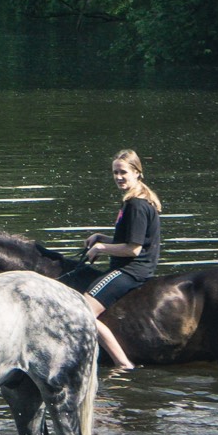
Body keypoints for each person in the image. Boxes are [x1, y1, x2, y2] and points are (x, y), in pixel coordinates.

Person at [62, 149, 162, 370]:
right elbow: (131, 239)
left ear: (137, 173)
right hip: (136, 267)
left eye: (123, 172)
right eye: (115, 172)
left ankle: (123, 363)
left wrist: (101, 247)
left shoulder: (136, 205)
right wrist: (102, 237)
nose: (118, 177)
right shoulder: (135, 201)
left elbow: (133, 249)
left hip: (131, 270)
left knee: (82, 310)